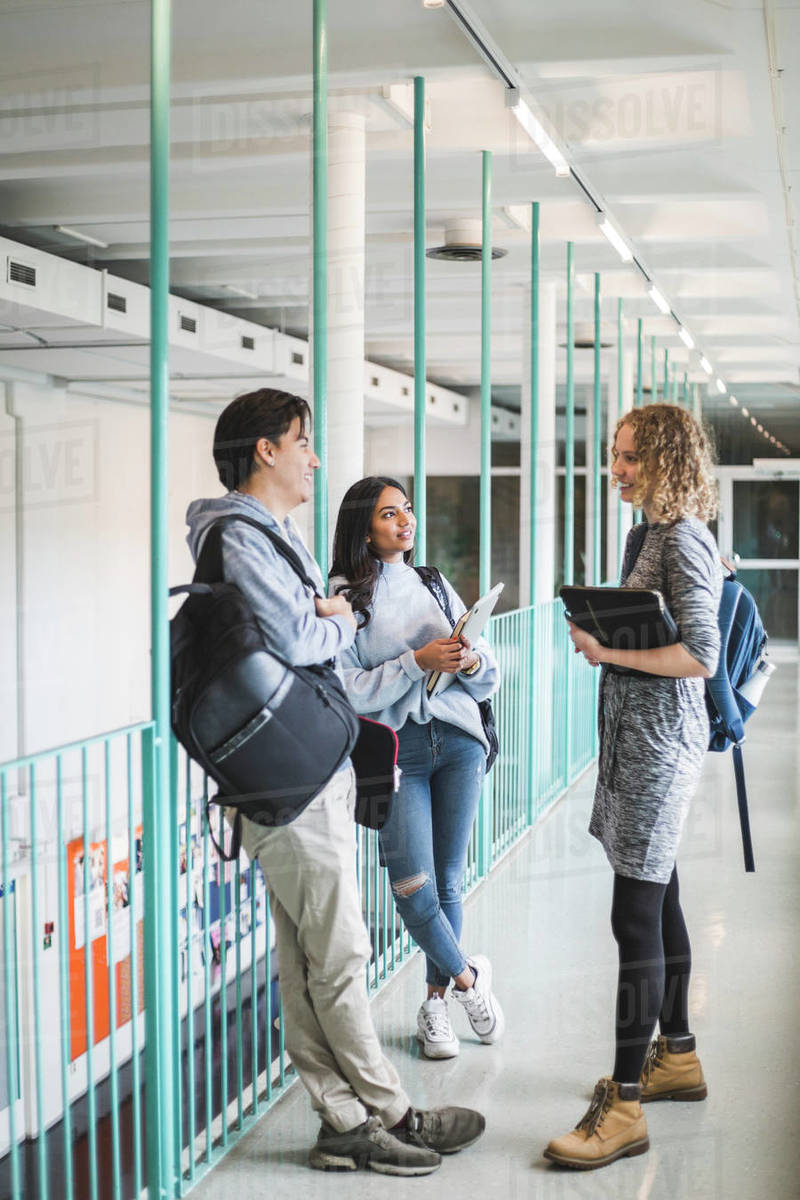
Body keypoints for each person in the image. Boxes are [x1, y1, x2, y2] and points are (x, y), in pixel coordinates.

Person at [185, 389, 485, 1175]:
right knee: (342, 950)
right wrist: (339, 619)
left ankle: (343, 1120)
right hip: (288, 771)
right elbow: (299, 634)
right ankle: (394, 1114)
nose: (314, 456)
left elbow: (303, 625)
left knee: (304, 958)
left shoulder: (267, 537)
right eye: (303, 442)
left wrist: (323, 615)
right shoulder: (242, 535)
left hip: (287, 764)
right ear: (266, 451)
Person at [544, 403, 723, 1171]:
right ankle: (675, 1054)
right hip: (633, 743)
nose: (615, 469)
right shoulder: (642, 534)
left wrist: (611, 654)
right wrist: (609, 639)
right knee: (663, 897)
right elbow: (649, 628)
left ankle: (623, 1104)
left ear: (664, 461)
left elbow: (702, 656)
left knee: (634, 918)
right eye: (615, 456)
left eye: (628, 458)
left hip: (661, 750)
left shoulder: (684, 540)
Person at [330, 476, 504, 1061]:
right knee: (412, 884)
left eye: (406, 509)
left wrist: (470, 657)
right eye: (388, 513)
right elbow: (347, 690)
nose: (405, 521)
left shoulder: (432, 581)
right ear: (363, 526)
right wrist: (415, 661)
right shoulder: (342, 598)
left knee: (451, 880)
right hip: (396, 752)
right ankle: (468, 981)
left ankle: (434, 1005)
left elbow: (488, 673)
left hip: (457, 741)